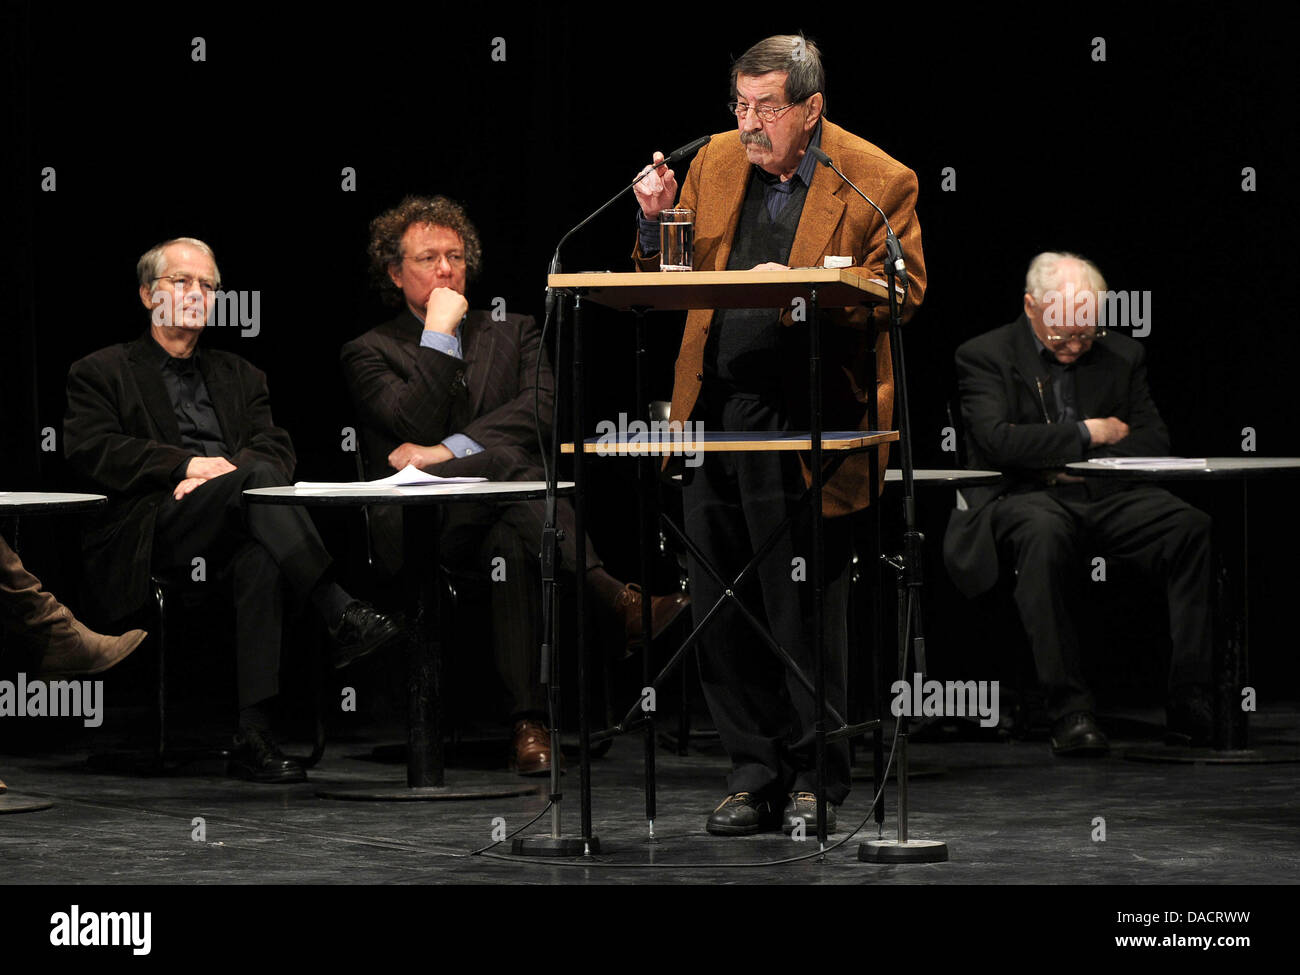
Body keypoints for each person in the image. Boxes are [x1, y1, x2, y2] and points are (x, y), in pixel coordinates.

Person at [630, 34, 926, 835]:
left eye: (765, 107)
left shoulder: (875, 177)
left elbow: (905, 293)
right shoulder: (717, 162)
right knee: (718, 602)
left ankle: (817, 778)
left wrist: (820, 287)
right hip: (713, 411)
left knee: (798, 602)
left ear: (811, 107)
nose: (747, 123)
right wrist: (656, 222)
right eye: (738, 104)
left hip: (807, 417)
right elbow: (671, 275)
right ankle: (751, 771)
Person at [340, 196, 689, 777]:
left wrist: (446, 451)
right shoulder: (368, 351)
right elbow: (412, 425)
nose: (446, 270)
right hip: (421, 529)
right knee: (515, 466)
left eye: (456, 256)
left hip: (498, 521)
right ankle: (618, 602)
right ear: (395, 273)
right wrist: (440, 336)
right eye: (427, 258)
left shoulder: (517, 330)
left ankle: (529, 725)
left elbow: (541, 413)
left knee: (510, 538)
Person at [63, 237, 406, 784]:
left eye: (208, 285)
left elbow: (277, 451)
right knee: (254, 481)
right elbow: (91, 448)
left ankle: (253, 733)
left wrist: (223, 476)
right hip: (153, 528)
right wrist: (184, 468)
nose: (197, 293)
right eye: (182, 282)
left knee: (260, 555)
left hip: (232, 523)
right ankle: (338, 609)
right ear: (149, 295)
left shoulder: (242, 375)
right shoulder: (101, 370)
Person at [943, 251, 1214, 755]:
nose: (1074, 345)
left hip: (1101, 495)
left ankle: (1191, 697)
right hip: (1019, 496)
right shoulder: (983, 355)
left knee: (1189, 526)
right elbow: (998, 443)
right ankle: (1069, 711)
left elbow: (1154, 440)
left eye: (1085, 334)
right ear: (1031, 307)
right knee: (1042, 533)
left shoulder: (1122, 355)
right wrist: (1089, 432)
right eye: (1062, 333)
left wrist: (1072, 459)